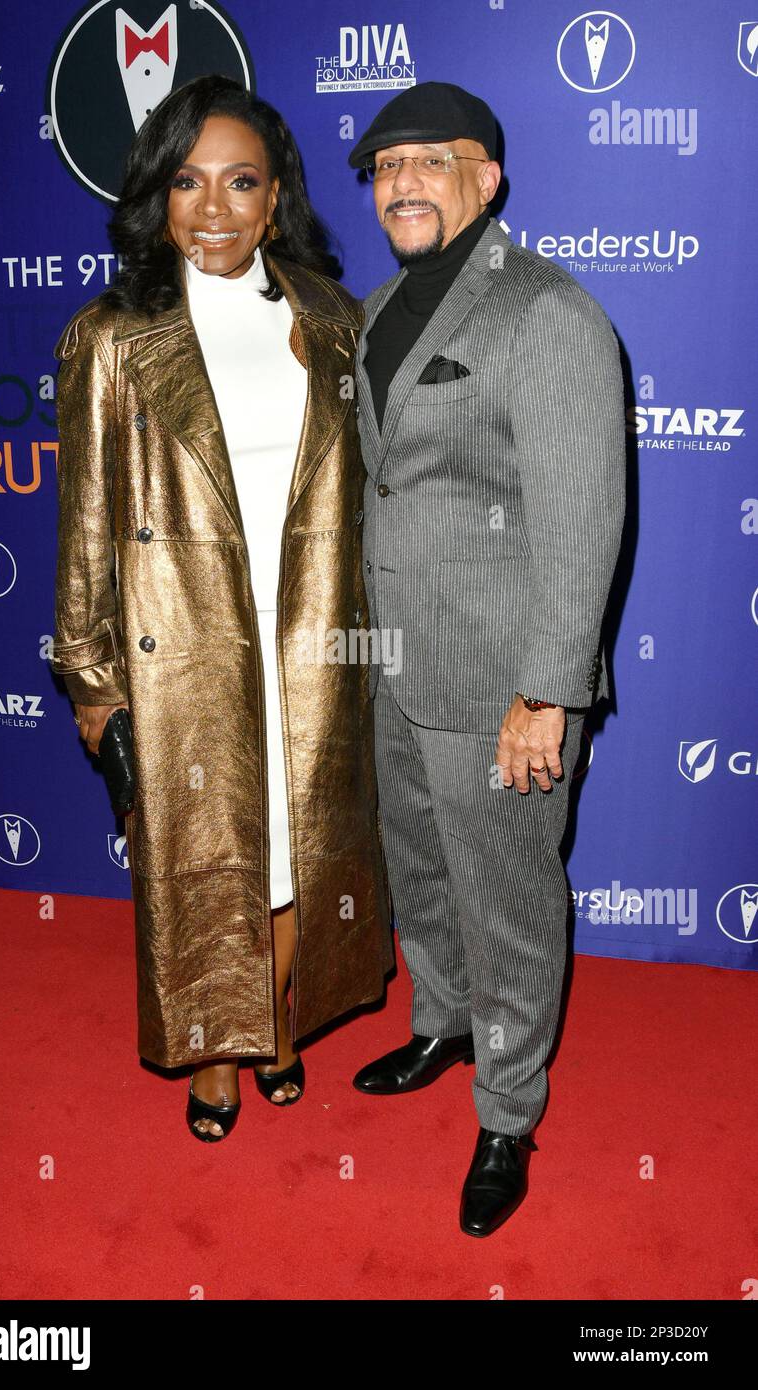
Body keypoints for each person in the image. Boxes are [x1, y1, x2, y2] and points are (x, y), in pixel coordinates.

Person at [51, 74, 393, 1143]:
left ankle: (278, 1030)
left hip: (313, 640)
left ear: (277, 197)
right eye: (188, 182)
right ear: (159, 198)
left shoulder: (333, 321)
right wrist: (95, 687)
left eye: (240, 182)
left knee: (298, 851)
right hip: (183, 647)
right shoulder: (110, 336)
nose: (213, 208)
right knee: (202, 860)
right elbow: (84, 525)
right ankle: (214, 1055)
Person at [347, 82, 626, 1234]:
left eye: (430, 160)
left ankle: (508, 1108)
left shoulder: (547, 311)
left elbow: (582, 521)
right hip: (397, 664)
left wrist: (545, 693)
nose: (402, 181)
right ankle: (444, 1021)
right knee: (420, 871)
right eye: (384, 167)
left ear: (486, 178)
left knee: (508, 898)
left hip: (501, 678)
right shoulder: (379, 310)